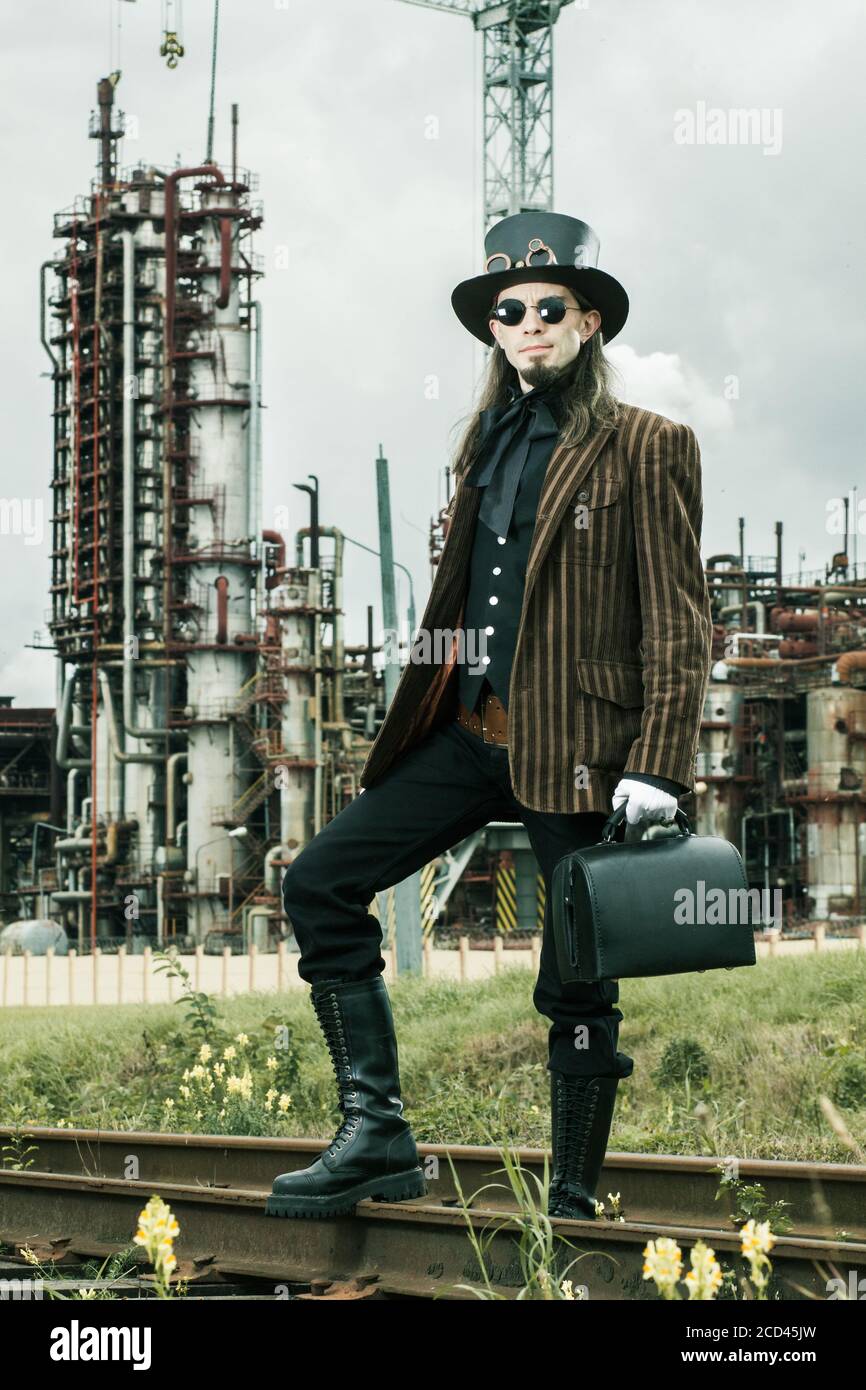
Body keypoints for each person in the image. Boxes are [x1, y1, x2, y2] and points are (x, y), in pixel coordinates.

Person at [266, 211, 713, 1221]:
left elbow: (682, 622)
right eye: (507, 313)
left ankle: (571, 1191)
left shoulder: (647, 445)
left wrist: (657, 767)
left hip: (581, 754)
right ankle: (375, 1130)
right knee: (320, 883)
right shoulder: (483, 442)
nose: (527, 326)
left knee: (575, 985)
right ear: (494, 330)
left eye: (548, 309)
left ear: (587, 321)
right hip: (470, 736)